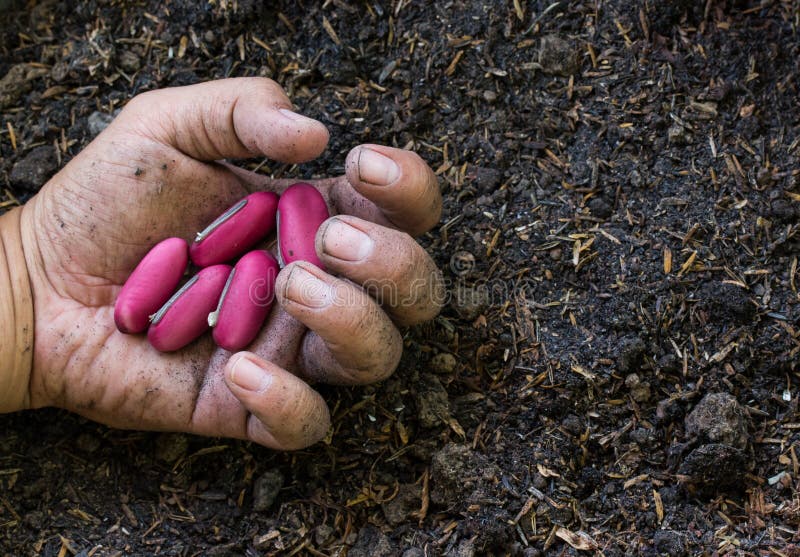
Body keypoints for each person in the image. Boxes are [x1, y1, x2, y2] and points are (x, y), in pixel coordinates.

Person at [0, 78, 444, 450]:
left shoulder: (221, 263)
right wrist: (26, 288)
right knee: (241, 280)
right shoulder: (205, 266)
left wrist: (26, 270)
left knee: (259, 275)